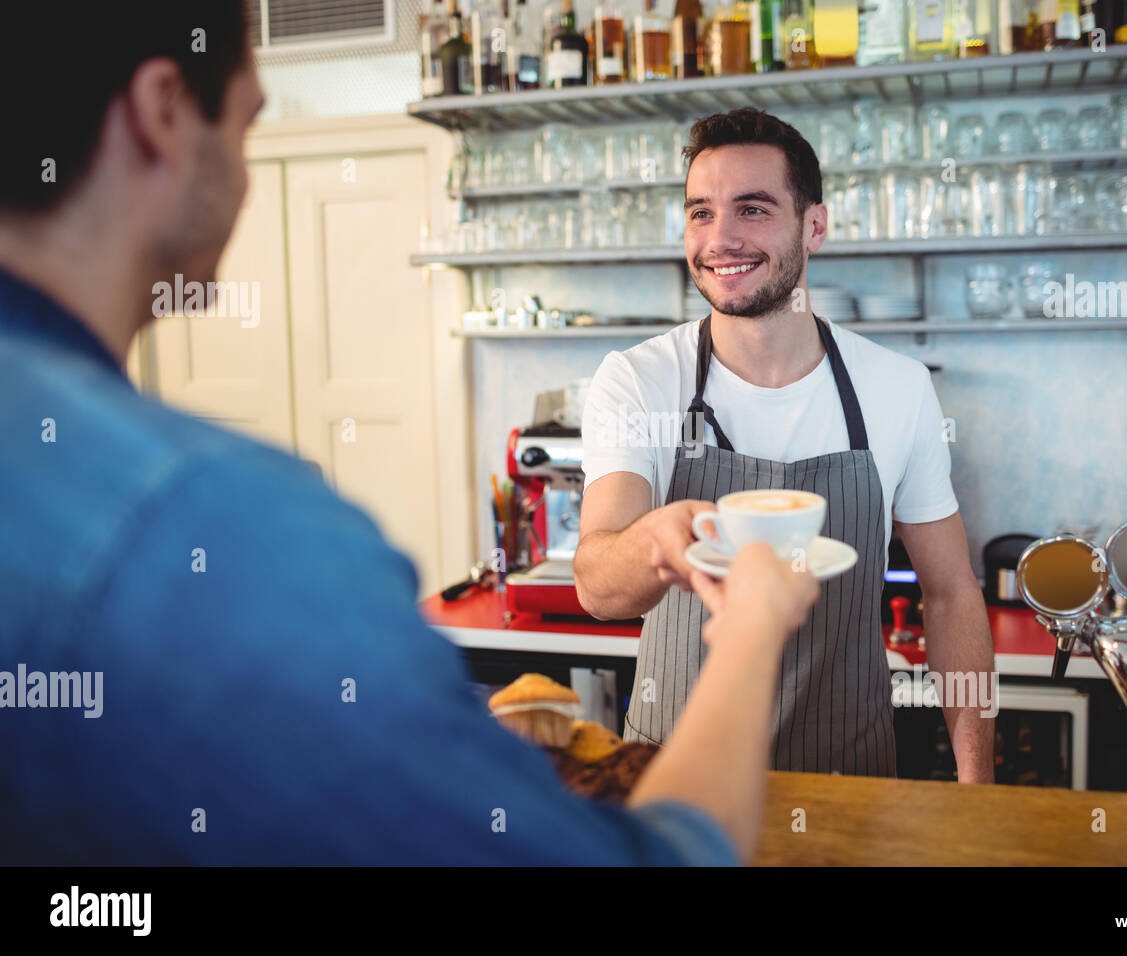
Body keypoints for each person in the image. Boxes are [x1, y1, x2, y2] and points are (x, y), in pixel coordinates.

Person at [0, 3, 819, 865]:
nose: (244, 181)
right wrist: (755, 627)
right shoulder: (215, 521)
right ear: (163, 114)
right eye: (245, 130)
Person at [575, 108, 996, 780]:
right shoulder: (639, 380)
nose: (721, 238)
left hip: (852, 784)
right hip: (676, 781)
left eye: (752, 209)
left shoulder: (896, 388)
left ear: (815, 227)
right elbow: (598, 587)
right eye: (701, 212)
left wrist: (979, 787)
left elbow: (949, 594)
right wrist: (655, 539)